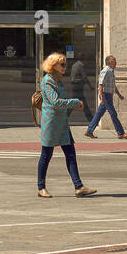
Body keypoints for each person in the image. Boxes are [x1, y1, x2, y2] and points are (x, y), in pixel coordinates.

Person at [37, 52, 96, 198]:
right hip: (51, 123)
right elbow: (56, 102)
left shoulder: (58, 80)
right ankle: (41, 187)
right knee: (46, 155)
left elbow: (60, 102)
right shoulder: (48, 81)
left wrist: (71, 105)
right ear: (53, 66)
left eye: (65, 64)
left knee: (70, 153)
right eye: (61, 64)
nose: (64, 67)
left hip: (62, 123)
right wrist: (75, 102)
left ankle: (79, 186)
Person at [84, 54, 127, 139]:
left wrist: (119, 95)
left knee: (99, 113)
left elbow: (113, 85)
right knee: (113, 113)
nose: (116, 63)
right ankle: (120, 133)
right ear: (110, 62)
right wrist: (102, 98)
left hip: (108, 95)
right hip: (105, 95)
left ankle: (89, 131)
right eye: (114, 61)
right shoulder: (106, 71)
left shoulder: (111, 71)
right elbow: (100, 84)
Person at [68, 57, 94, 123]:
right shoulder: (81, 65)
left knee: (75, 101)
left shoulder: (74, 65)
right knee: (81, 102)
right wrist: (90, 86)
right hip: (78, 85)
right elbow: (84, 77)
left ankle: (90, 119)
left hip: (74, 84)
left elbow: (70, 76)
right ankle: (90, 119)